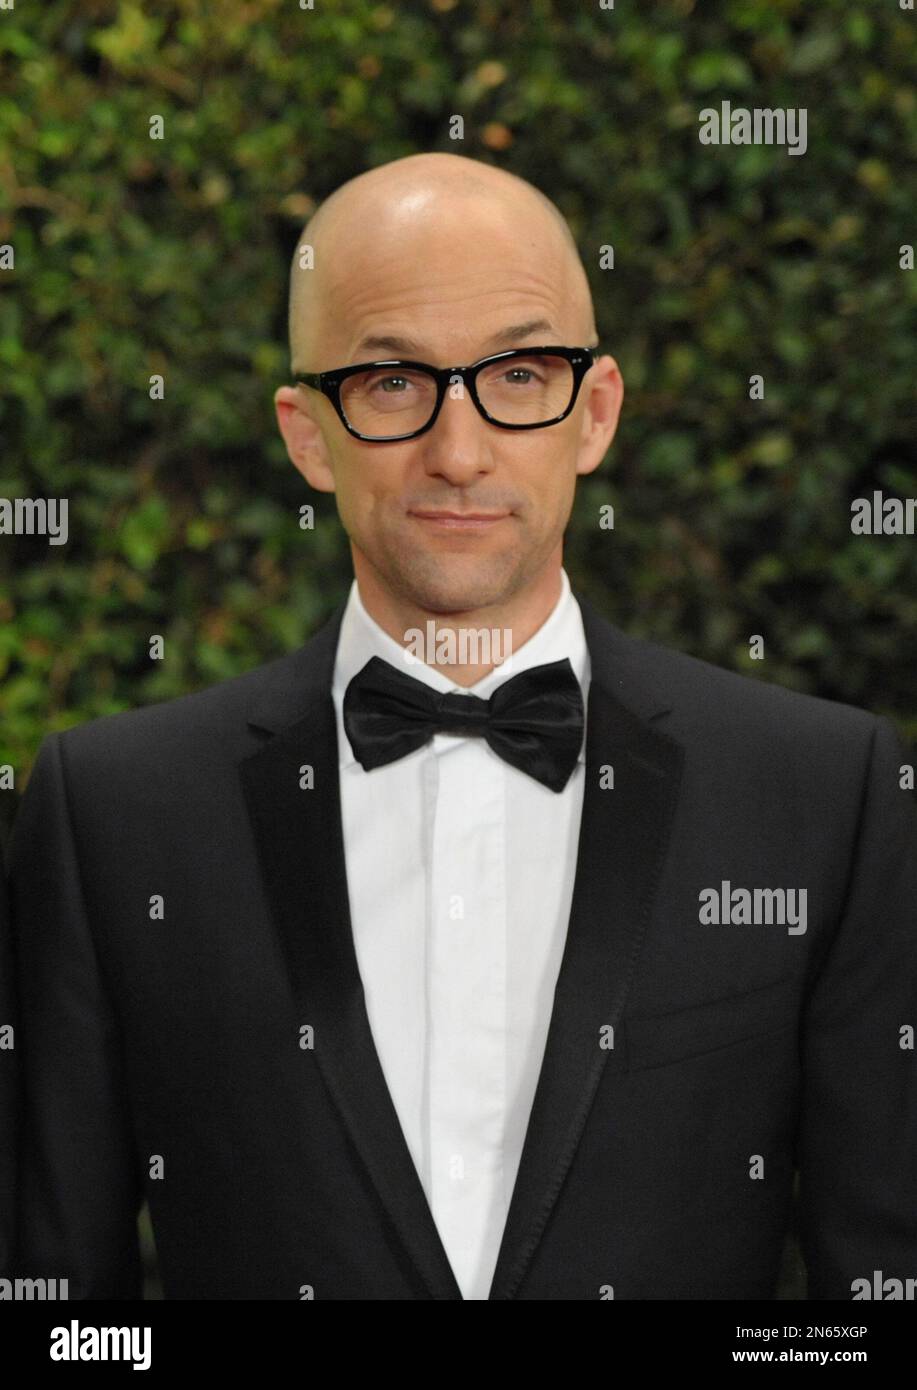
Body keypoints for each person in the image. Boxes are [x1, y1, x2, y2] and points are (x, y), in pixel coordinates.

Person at [5, 153, 916, 1300]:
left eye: (519, 374)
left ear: (593, 413)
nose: (459, 450)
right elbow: (54, 1309)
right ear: (304, 433)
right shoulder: (113, 813)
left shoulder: (820, 794)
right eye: (391, 382)